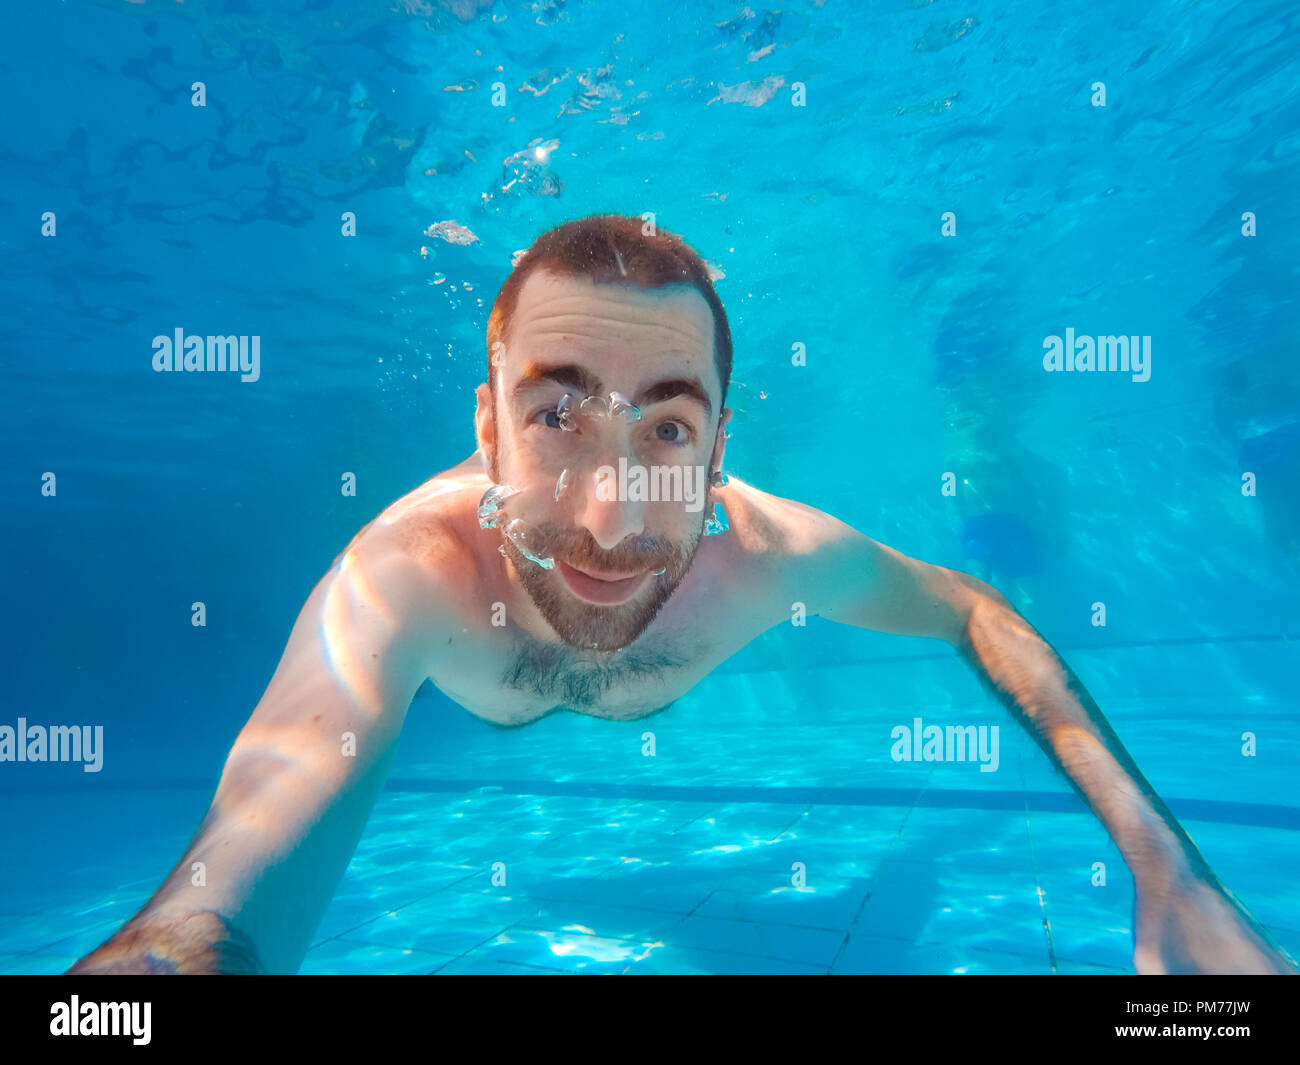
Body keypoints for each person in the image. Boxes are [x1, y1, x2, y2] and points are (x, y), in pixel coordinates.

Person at [67, 215, 1295, 975]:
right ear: (484, 427)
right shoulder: (409, 574)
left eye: (664, 431)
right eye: (553, 417)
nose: (609, 524)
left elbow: (970, 606)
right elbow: (238, 864)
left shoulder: (765, 551)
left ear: (715, 451)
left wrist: (1164, 870)